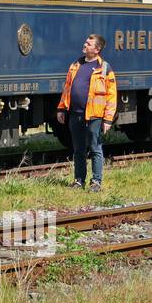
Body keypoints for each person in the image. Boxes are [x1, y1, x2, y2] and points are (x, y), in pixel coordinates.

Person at [56, 33, 117, 191]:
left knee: (95, 148)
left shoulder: (104, 68)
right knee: (78, 150)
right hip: (75, 113)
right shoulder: (75, 65)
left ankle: (96, 182)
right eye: (85, 42)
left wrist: (108, 119)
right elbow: (67, 88)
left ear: (97, 49)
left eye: (88, 44)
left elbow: (112, 96)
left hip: (94, 115)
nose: (85, 45)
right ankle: (79, 180)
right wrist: (61, 108)